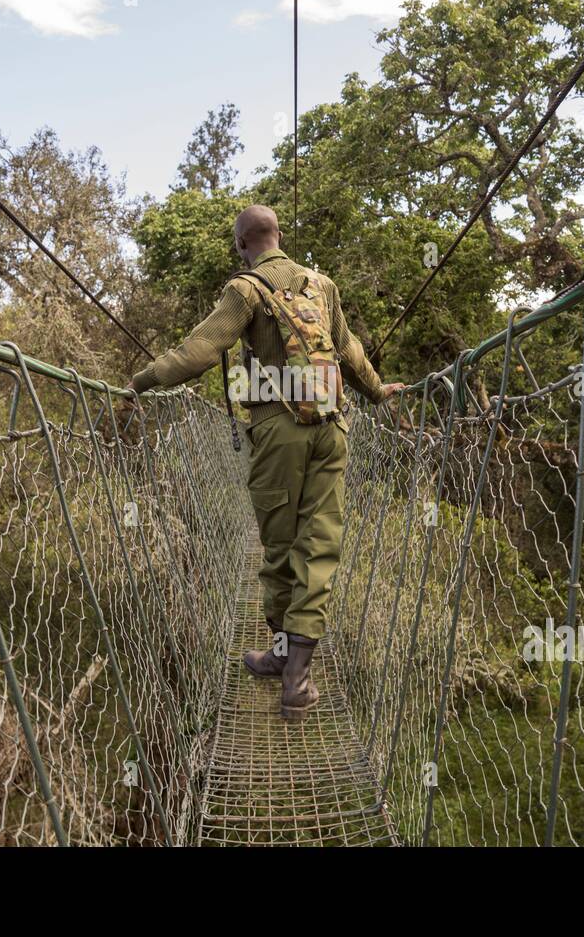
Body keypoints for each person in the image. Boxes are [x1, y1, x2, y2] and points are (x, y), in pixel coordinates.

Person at [128, 205, 403, 719]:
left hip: (278, 430)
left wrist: (139, 383)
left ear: (241, 245)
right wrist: (378, 393)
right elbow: (348, 348)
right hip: (333, 426)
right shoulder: (321, 284)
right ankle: (293, 670)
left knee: (279, 544)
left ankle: (288, 664)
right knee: (319, 544)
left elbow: (201, 352)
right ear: (278, 236)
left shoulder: (245, 291)